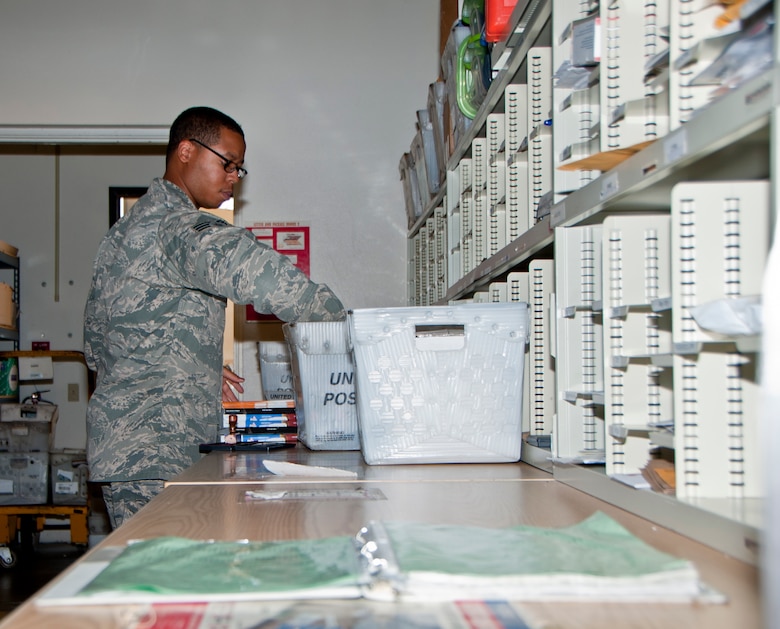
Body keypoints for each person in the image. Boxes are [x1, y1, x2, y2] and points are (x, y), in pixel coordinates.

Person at [83, 106, 345, 529]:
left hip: (130, 450)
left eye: (239, 169)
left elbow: (98, 347)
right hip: (156, 450)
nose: (234, 178)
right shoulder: (174, 226)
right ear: (186, 151)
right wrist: (349, 328)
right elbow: (263, 276)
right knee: (167, 568)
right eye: (228, 164)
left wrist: (189, 361)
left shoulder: (121, 235)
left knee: (158, 566)